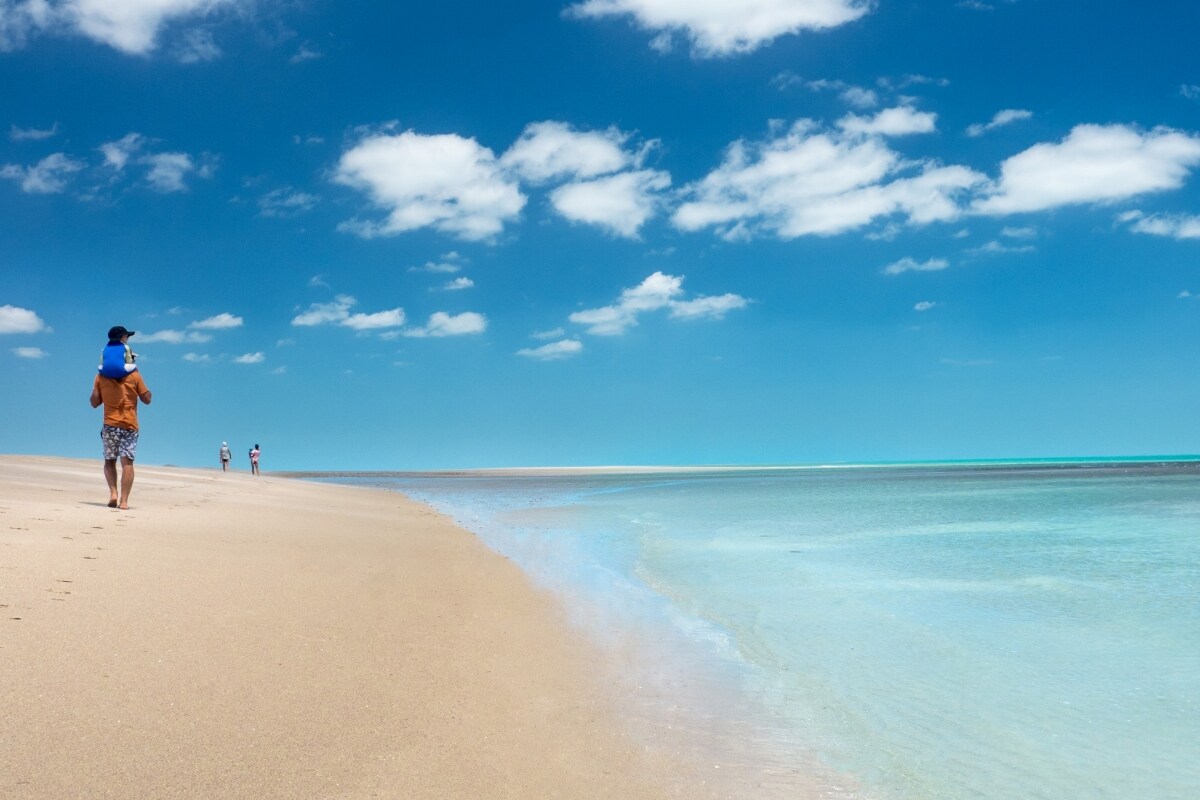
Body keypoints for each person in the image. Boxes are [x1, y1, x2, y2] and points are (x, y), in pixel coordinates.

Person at [90, 326, 152, 509]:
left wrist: (98, 388)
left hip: (110, 424)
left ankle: (113, 493)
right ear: (123, 338)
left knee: (110, 460)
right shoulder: (134, 375)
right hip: (130, 425)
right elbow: (147, 399)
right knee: (127, 462)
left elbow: (94, 403)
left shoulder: (100, 377)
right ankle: (124, 501)